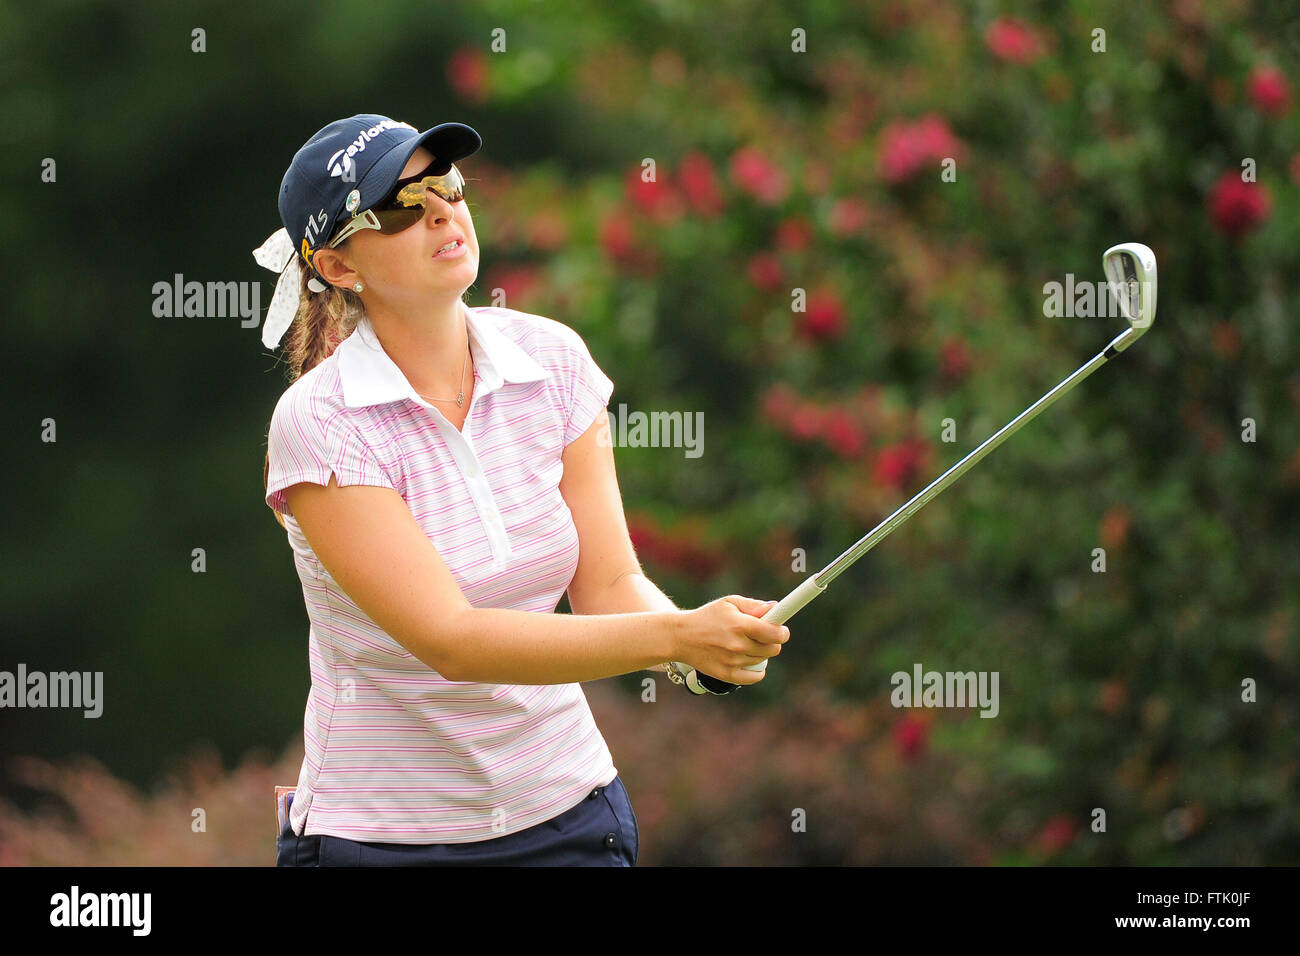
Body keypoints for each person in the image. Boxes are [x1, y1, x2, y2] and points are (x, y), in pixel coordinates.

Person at [255, 114, 790, 866]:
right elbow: (454, 641)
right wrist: (675, 637)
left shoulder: (554, 358)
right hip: (385, 838)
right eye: (402, 207)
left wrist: (697, 651)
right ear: (340, 269)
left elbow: (608, 583)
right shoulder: (318, 423)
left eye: (447, 185)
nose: (442, 210)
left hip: (569, 813)